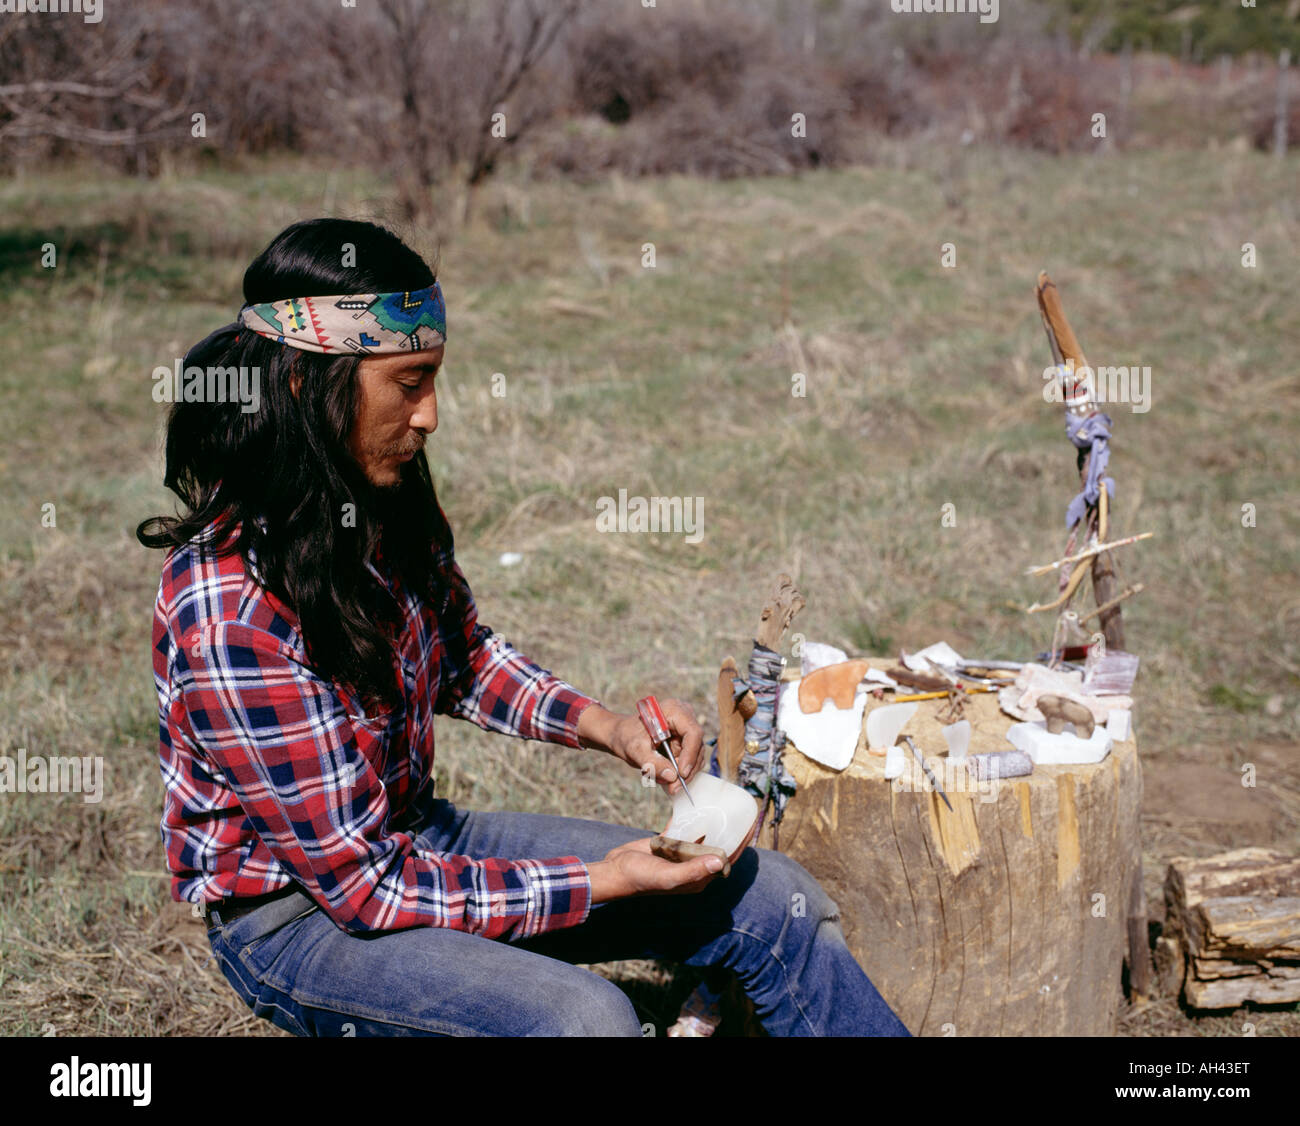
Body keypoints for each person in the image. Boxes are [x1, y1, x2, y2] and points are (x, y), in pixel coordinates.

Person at [137, 217, 910, 1037]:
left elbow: (463, 659)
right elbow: (366, 891)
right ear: (305, 382)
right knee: (585, 1023)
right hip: (300, 920)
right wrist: (606, 880)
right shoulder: (230, 605)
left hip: (420, 840)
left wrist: (608, 728)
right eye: (409, 382)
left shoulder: (378, 500)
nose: (430, 414)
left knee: (773, 901)